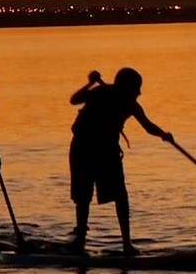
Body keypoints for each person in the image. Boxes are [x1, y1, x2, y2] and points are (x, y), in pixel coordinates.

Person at [68, 67, 173, 255]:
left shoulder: (131, 104)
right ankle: (80, 242)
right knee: (83, 197)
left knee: (121, 196)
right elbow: (74, 100)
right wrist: (91, 82)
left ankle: (126, 244)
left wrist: (164, 135)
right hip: (84, 149)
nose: (139, 92)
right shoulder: (100, 92)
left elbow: (148, 126)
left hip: (107, 152)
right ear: (126, 86)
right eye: (136, 88)